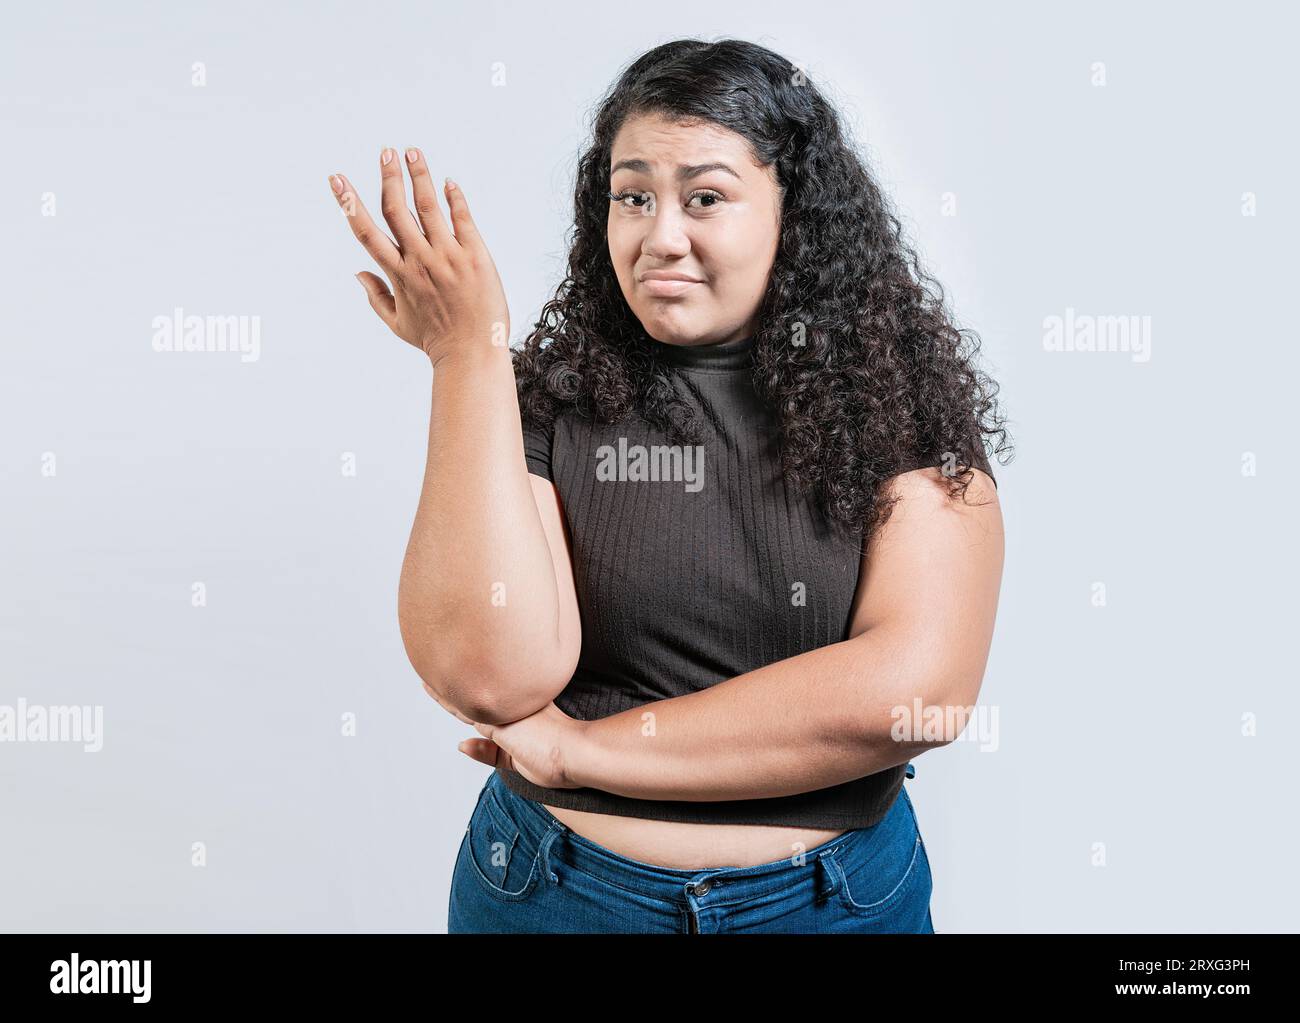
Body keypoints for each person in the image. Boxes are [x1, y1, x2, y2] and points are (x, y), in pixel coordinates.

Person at [329, 37, 1010, 933]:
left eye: (706, 197)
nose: (661, 235)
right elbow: (489, 673)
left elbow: (914, 692)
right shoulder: (547, 395)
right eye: (634, 196)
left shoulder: (900, 401)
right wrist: (467, 355)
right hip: (555, 896)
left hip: (830, 907)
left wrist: (583, 751)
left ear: (791, 212)